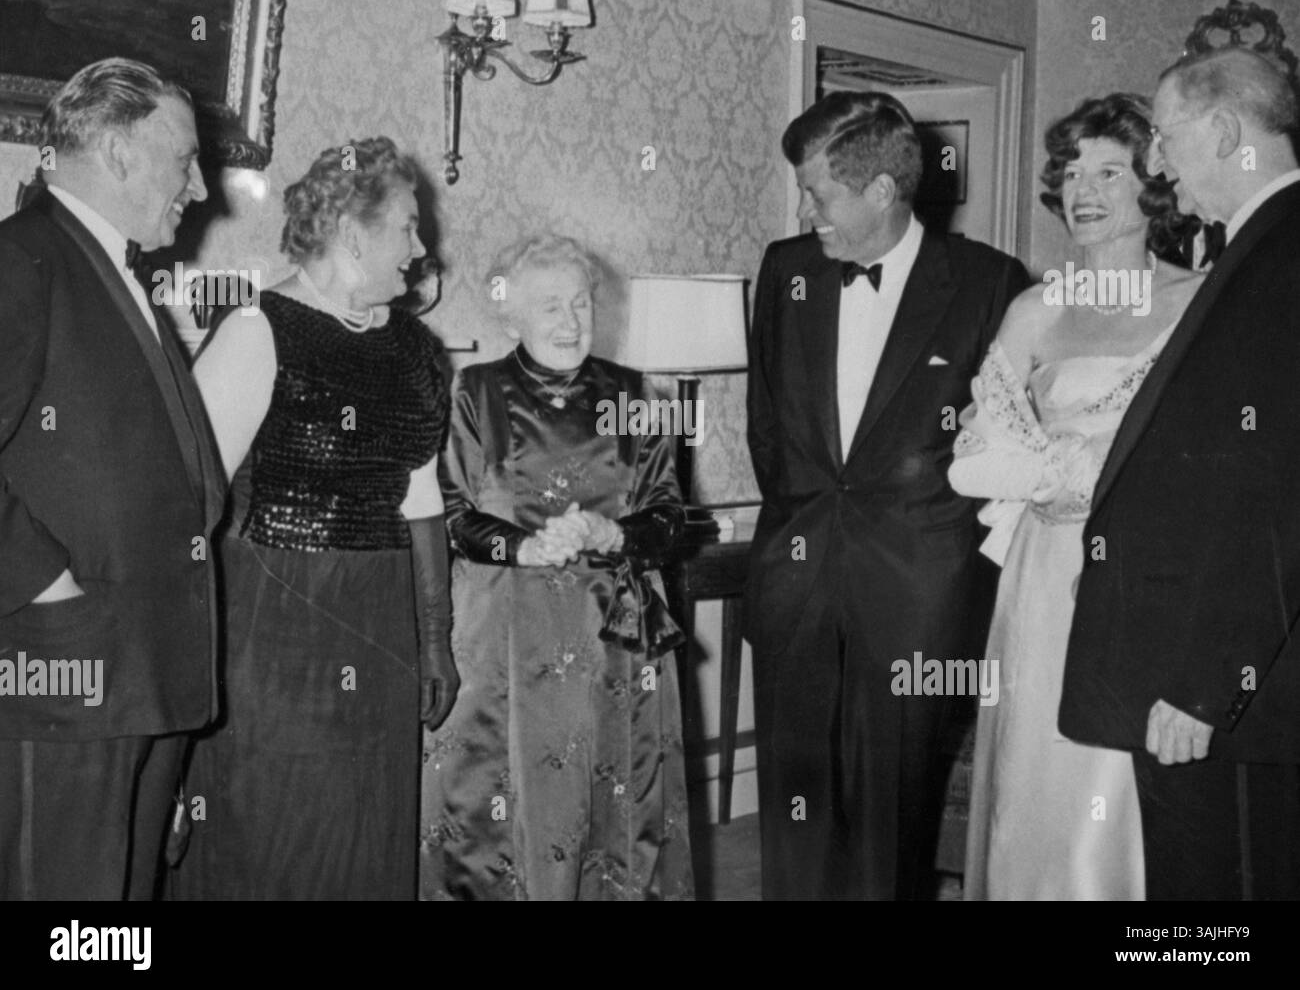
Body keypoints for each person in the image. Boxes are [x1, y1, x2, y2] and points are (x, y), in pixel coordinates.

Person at [745, 91, 1029, 900]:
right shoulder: (785, 270)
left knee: (891, 814)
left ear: (880, 192)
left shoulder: (987, 282)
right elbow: (768, 426)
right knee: (792, 812)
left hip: (918, 592)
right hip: (798, 579)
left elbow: (997, 446)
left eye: (820, 194)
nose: (808, 212)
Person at [176, 137, 456, 900]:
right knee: (275, 826)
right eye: (406, 225)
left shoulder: (417, 351)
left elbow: (421, 499)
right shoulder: (257, 332)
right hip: (274, 625)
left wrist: (435, 642)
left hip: (381, 614)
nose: (420, 247)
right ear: (354, 233)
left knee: (368, 826)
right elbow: (187, 504)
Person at [1060, 48, 1300, 901]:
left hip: (1223, 690)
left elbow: (1275, 492)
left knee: (1214, 899)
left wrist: (1206, 686)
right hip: (1209, 670)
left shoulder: (1282, 256)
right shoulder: (1257, 246)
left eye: (1163, 137)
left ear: (1225, 130)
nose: (1155, 163)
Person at [950, 94, 1201, 900]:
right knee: (1035, 765)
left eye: (1109, 171)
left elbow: (1208, 455)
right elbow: (976, 441)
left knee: (1118, 772)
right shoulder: (1036, 307)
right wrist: (1051, 475)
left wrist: (1092, 470)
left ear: (1153, 186)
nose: (1083, 190)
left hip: (1145, 569)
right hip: (1042, 569)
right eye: (1070, 171)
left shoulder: (1196, 301)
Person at [0, 57, 222, 899]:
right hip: (60, 678)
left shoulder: (114, 267)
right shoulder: (20, 260)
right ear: (122, 152)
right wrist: (52, 591)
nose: (199, 189)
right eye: (186, 159)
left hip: (140, 678)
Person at [421, 234, 692, 901]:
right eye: (550, 307)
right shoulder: (474, 393)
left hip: (615, 641)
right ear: (508, 313)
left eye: (581, 304)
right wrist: (522, 545)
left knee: (618, 813)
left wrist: (612, 531)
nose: (571, 322)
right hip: (510, 642)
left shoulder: (638, 396)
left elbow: (671, 520)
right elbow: (449, 513)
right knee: (511, 813)